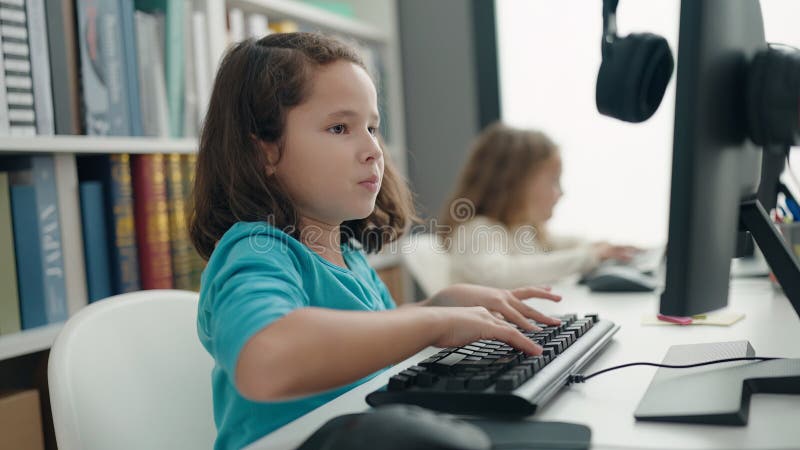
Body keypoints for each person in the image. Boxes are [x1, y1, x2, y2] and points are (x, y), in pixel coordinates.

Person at [188, 33, 562, 450]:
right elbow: (264, 358)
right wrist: (432, 324)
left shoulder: (347, 255)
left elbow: (372, 339)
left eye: (372, 127)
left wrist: (436, 307)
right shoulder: (257, 249)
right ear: (265, 153)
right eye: (340, 127)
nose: (373, 149)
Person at [440, 122, 637, 289]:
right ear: (515, 183)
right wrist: (588, 257)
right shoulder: (477, 230)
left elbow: (563, 244)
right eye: (553, 181)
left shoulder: (522, 231)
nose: (561, 192)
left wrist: (598, 249)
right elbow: (498, 275)